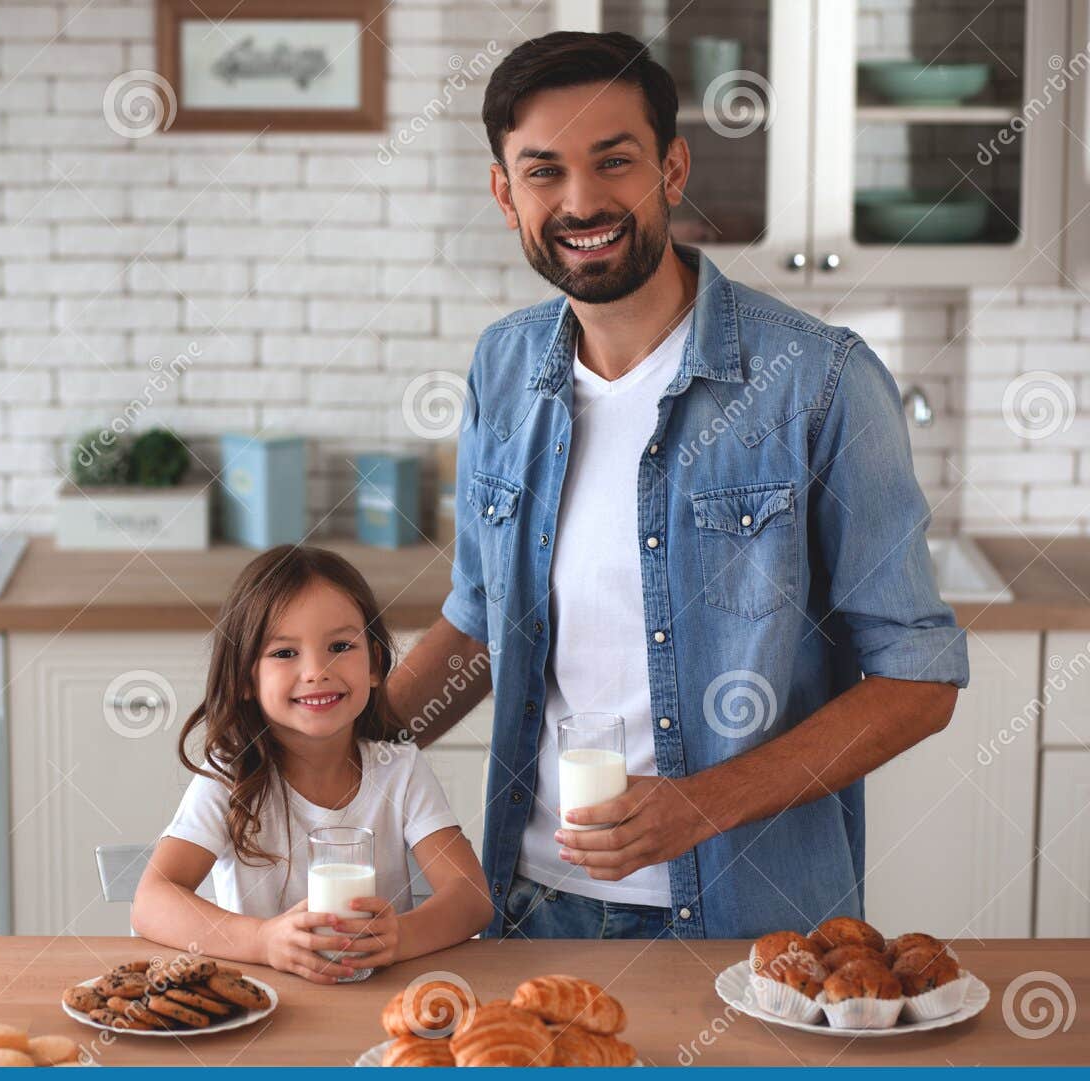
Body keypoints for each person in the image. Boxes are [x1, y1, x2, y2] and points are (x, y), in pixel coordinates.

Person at [386, 31, 969, 941]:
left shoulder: (817, 380)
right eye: (544, 172)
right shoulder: (503, 366)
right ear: (505, 193)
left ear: (672, 167)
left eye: (614, 161)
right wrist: (314, 756)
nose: (582, 201)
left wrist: (699, 806)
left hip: (750, 922)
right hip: (528, 903)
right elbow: (479, 623)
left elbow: (919, 676)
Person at [132, 545, 493, 982]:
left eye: (341, 646)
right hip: (263, 1012)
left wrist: (400, 937)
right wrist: (263, 941)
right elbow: (151, 901)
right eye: (285, 653)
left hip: (380, 1009)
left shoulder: (398, 769)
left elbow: (471, 897)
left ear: (376, 665)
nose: (317, 671)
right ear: (246, 678)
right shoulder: (231, 778)